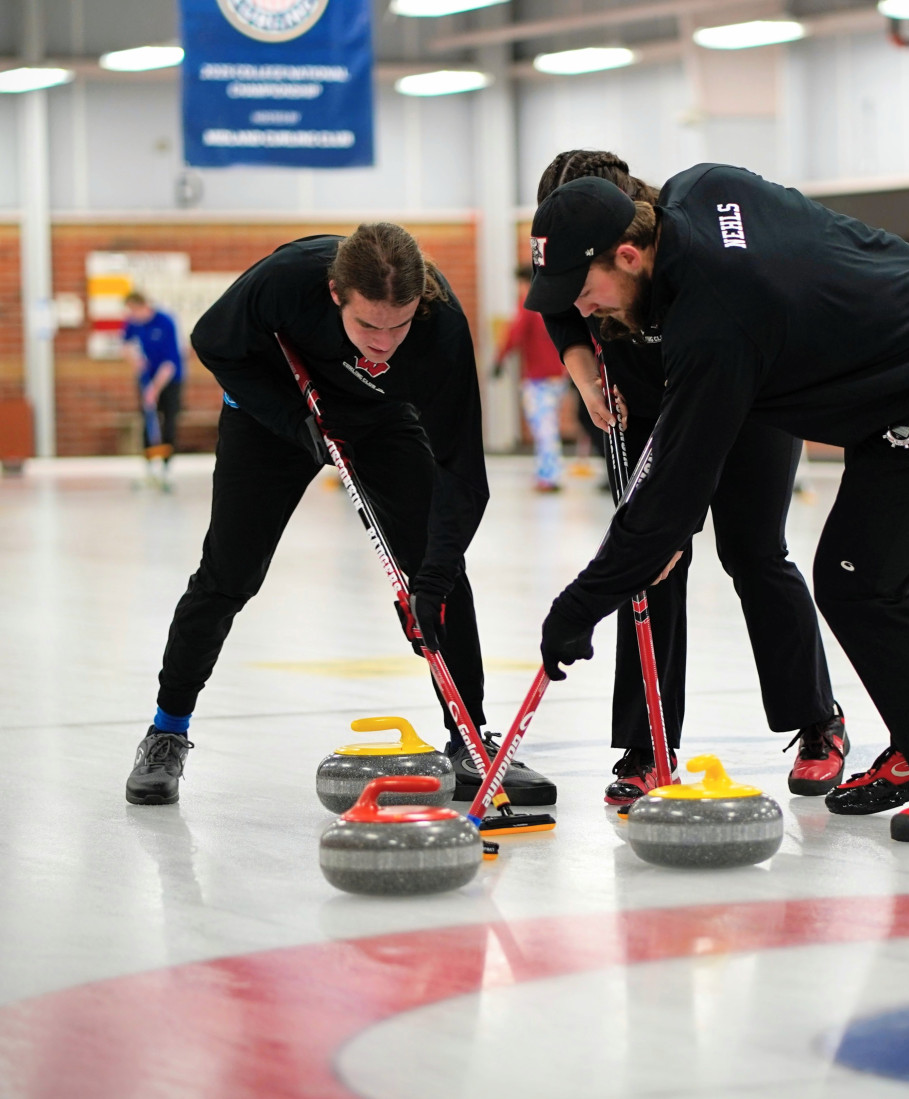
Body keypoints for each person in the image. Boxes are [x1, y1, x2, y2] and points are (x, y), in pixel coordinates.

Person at [530, 165, 909, 843]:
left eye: (588, 293)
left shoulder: (714, 319)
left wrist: (577, 607)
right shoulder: (695, 190)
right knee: (897, 564)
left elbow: (670, 507)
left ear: (628, 254)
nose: (585, 312)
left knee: (859, 580)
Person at [125, 224, 555, 808]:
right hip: (273, 412)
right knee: (229, 574)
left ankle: (469, 739)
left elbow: (465, 477)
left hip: (377, 418)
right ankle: (166, 731)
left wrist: (431, 581)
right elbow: (213, 344)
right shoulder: (286, 281)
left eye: (397, 325)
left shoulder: (440, 328)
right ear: (335, 295)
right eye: (367, 325)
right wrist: (293, 421)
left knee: (438, 569)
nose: (383, 341)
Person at [535, 150, 846, 804]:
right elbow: (559, 310)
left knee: (754, 550)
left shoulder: (685, 243)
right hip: (647, 406)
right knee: (649, 559)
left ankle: (817, 718)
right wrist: (589, 379)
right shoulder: (572, 260)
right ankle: (646, 744)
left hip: (748, 395)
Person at [493, 265, 569, 492]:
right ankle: (547, 472)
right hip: (558, 376)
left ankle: (549, 476)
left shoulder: (528, 305)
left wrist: (498, 360)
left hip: (538, 378)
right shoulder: (552, 304)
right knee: (549, 426)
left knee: (544, 429)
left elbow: (513, 334)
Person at [123, 292, 185, 489]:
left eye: (134, 311)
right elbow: (125, 344)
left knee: (168, 420)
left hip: (169, 380)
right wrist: (135, 361)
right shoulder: (133, 322)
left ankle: (166, 469)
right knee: (147, 420)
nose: (132, 316)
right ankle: (149, 467)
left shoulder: (166, 322)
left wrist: (154, 389)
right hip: (146, 378)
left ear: (143, 306)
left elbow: (171, 362)